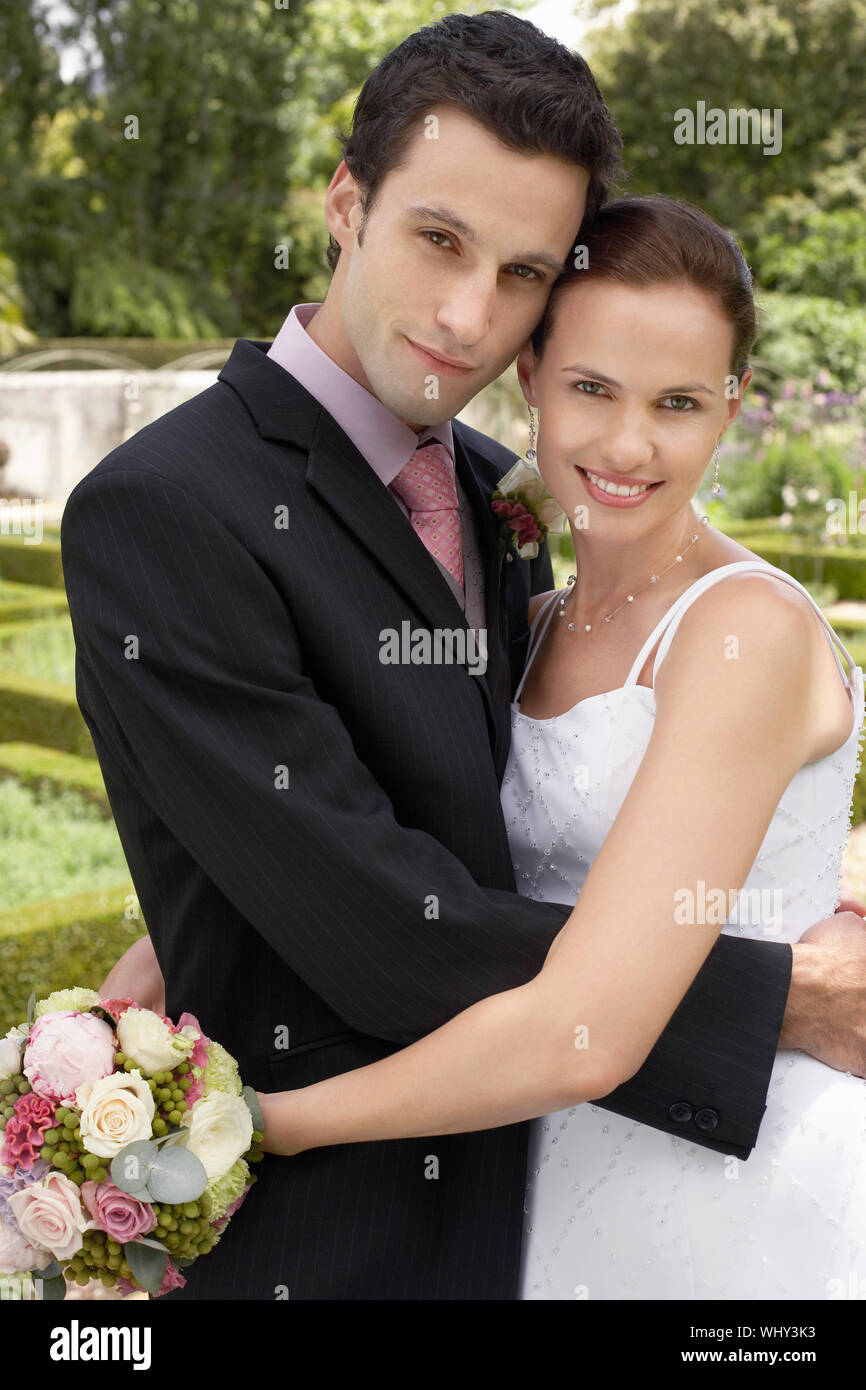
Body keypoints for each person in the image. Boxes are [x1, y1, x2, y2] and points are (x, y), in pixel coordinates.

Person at [65, 13, 866, 1300]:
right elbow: (383, 927)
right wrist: (771, 993)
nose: (464, 315)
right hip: (342, 1234)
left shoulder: (511, 489)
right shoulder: (167, 507)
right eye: (438, 239)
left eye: (523, 273)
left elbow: (497, 791)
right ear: (345, 202)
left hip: (574, 1191)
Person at [254, 193, 866, 1299]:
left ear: (731, 406)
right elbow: (374, 835)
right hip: (527, 1155)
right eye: (591, 388)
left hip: (729, 1187)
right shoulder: (522, 615)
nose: (628, 445)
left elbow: (584, 1030)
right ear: (528, 378)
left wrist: (265, 1125)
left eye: (677, 402)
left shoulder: (742, 634)